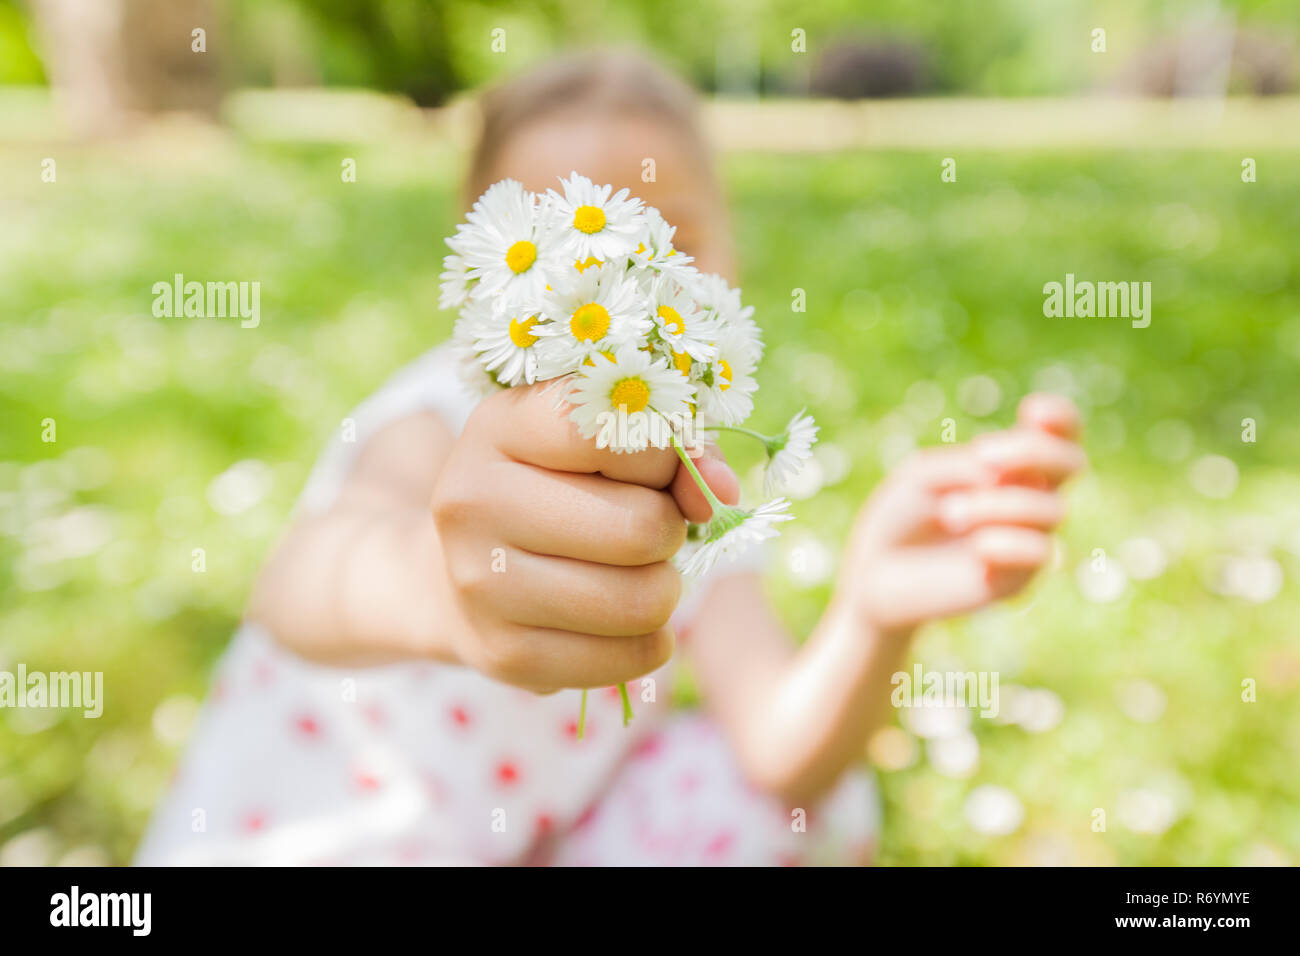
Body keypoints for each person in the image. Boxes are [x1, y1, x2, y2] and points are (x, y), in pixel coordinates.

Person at [136, 51, 1085, 866]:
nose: (621, 282)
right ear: (481, 265)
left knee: (811, 804)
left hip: (520, 842)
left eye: (670, 239)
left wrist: (873, 612)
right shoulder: (434, 418)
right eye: (558, 245)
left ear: (732, 252)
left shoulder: (702, 484)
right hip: (323, 845)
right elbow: (302, 582)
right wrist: (442, 590)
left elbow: (782, 752)